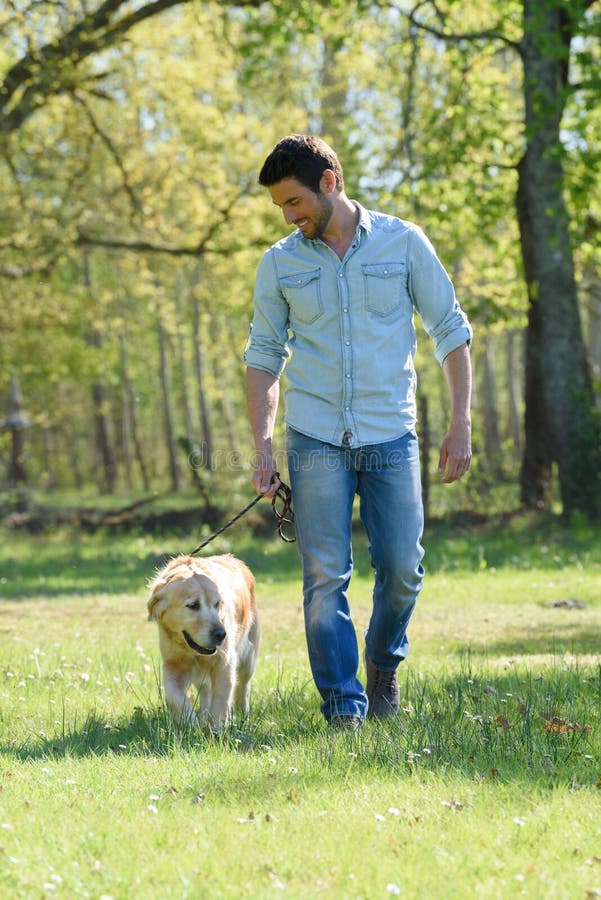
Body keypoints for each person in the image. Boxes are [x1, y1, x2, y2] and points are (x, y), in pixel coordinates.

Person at [244, 134, 473, 729]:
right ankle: (344, 707)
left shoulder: (402, 243)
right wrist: (262, 447)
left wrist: (460, 422)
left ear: (330, 181)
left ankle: (381, 663)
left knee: (402, 568)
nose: (289, 217)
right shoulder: (280, 263)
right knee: (325, 577)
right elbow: (264, 357)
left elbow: (449, 330)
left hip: (391, 434)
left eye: (294, 202)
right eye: (280, 209)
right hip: (316, 436)